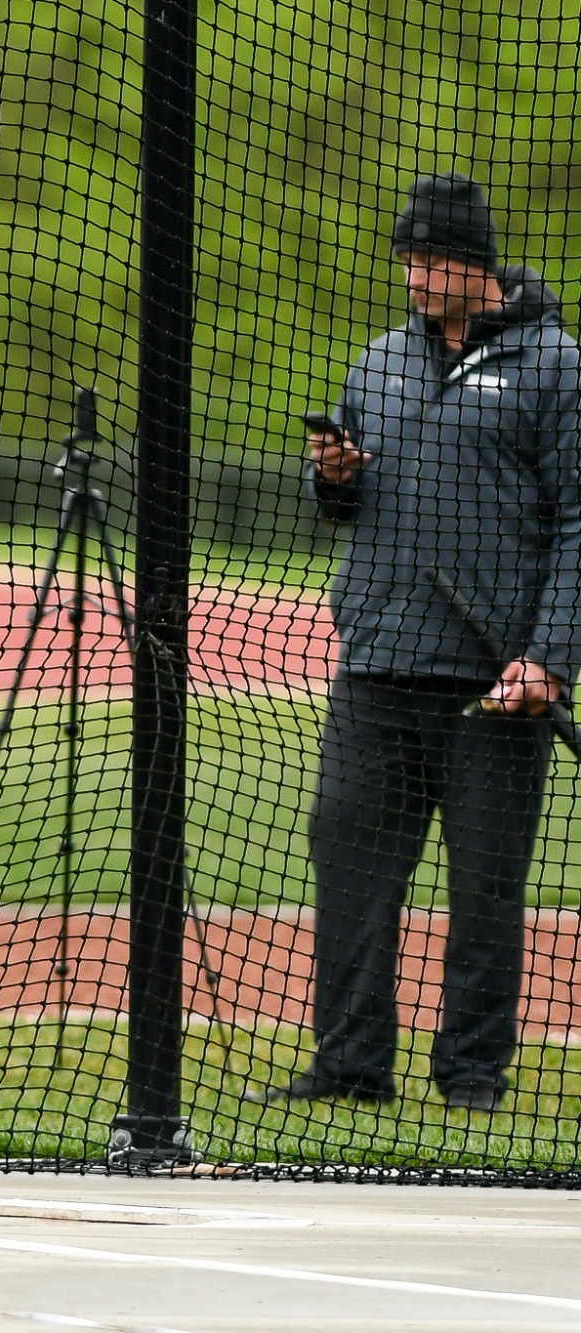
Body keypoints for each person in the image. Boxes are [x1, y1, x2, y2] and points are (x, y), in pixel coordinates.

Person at [261, 173, 581, 1112]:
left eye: (429, 260)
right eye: (405, 260)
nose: (412, 277)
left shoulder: (557, 366)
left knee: (485, 885)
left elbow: (578, 522)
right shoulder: (379, 362)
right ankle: (350, 1065)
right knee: (351, 868)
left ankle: (471, 1072)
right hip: (376, 662)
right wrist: (333, 476)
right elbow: (343, 509)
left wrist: (551, 656)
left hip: (495, 678)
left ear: (476, 264)